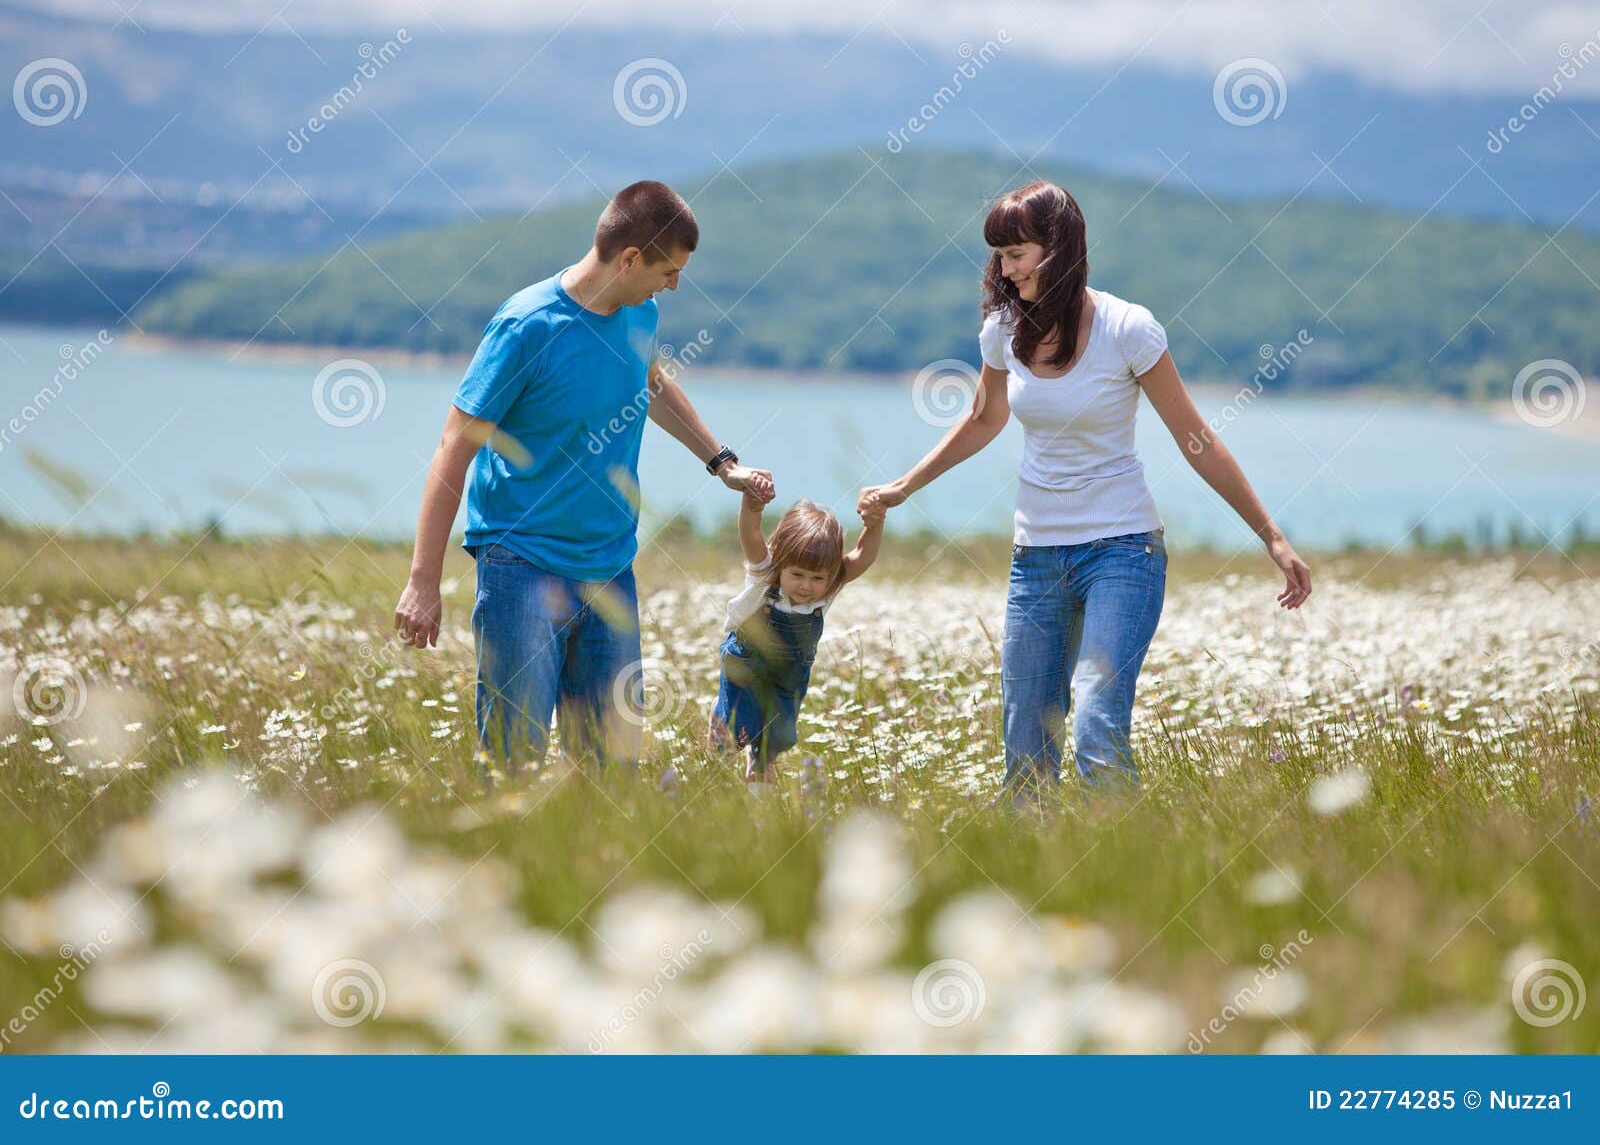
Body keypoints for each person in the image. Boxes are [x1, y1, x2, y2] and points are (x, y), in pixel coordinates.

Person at [860, 180, 1311, 799]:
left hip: (1123, 553)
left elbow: (1196, 439)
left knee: (1097, 728)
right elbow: (983, 420)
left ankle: (1125, 856)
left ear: (1060, 248)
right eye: (999, 255)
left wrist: (1272, 537)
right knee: (1026, 750)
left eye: (1017, 253)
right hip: (1036, 558)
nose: (1005, 270)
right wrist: (904, 487)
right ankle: (1035, 861)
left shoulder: (1129, 329)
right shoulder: (1002, 329)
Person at [394, 180, 774, 774]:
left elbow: (650, 383)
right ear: (630, 259)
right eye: (669, 271)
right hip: (521, 566)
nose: (674, 285)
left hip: (610, 570)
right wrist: (423, 581)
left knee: (611, 773)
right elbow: (453, 448)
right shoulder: (527, 325)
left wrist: (723, 462)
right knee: (513, 765)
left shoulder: (641, 312)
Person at [709, 494, 886, 787]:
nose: (806, 586)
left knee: (779, 737)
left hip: (788, 676)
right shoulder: (765, 573)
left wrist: (875, 523)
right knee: (736, 731)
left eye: (817, 578)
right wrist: (752, 503)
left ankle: (761, 780)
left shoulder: (828, 589)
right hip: (746, 664)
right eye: (797, 574)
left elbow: (862, 557)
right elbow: (750, 534)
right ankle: (720, 716)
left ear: (830, 576)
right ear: (781, 563)